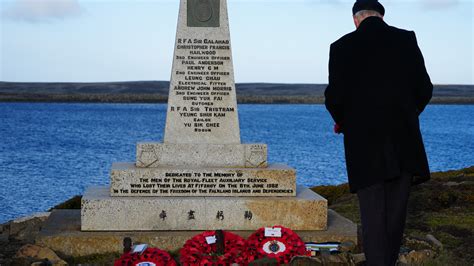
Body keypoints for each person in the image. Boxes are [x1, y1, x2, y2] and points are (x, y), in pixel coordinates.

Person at [324, 0, 433, 265]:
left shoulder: (341, 47)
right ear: (382, 17)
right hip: (403, 140)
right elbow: (424, 88)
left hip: (365, 144)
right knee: (395, 215)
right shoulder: (406, 40)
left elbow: (334, 97)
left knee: (373, 215)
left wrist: (346, 122)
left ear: (356, 20)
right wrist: (406, 114)